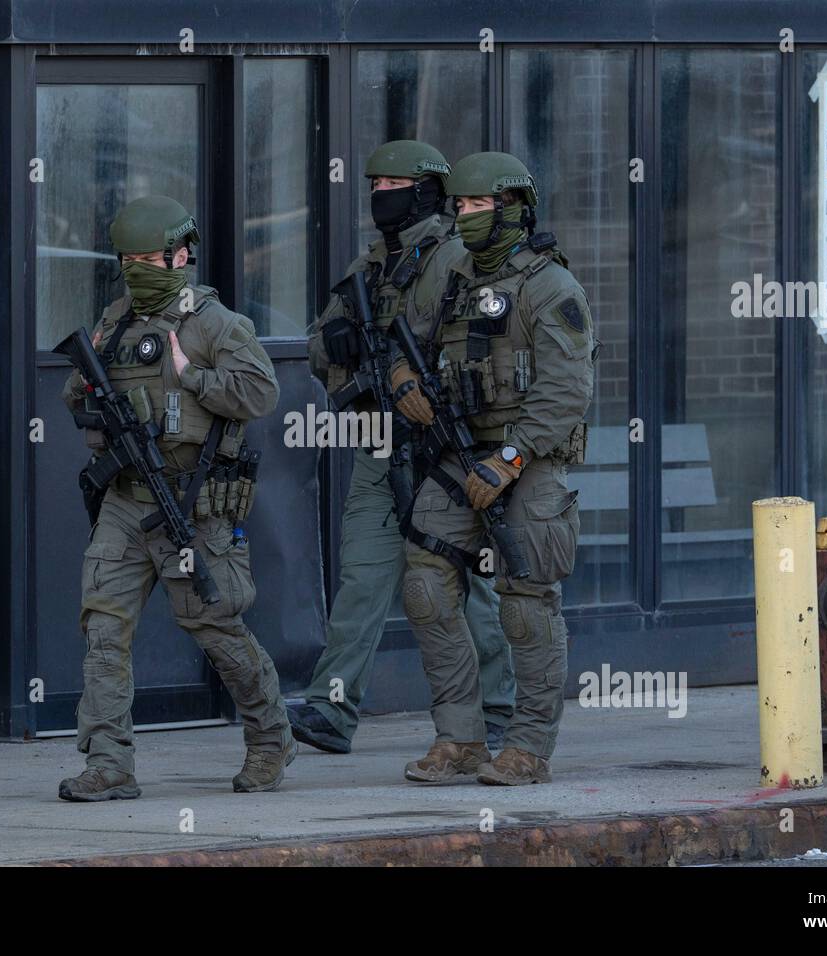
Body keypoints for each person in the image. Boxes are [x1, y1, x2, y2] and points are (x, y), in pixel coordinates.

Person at [58, 195, 295, 800]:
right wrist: (93, 399)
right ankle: (108, 762)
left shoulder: (216, 324)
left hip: (192, 501)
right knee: (104, 626)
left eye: (150, 258)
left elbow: (261, 393)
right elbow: (73, 393)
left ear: (182, 255)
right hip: (125, 496)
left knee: (214, 624)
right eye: (128, 258)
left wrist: (191, 375)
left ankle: (270, 739)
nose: (137, 268)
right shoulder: (116, 322)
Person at [291, 140, 515, 756]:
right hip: (378, 441)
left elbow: (477, 342)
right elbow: (317, 343)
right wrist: (339, 346)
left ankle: (497, 706)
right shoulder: (368, 271)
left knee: (466, 578)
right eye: (374, 185)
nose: (378, 196)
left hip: (441, 445)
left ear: (423, 191)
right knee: (363, 575)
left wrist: (412, 375)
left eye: (392, 186)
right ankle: (330, 709)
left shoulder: (456, 261)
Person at [397, 152, 595, 786]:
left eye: (479, 207)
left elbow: (566, 393)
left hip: (527, 458)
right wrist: (405, 384)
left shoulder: (551, 286)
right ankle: (460, 739)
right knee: (425, 585)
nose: (466, 217)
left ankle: (529, 748)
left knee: (526, 605)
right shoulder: (447, 269)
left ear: (513, 209)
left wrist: (509, 459)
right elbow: (405, 338)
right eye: (459, 206)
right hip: (456, 453)